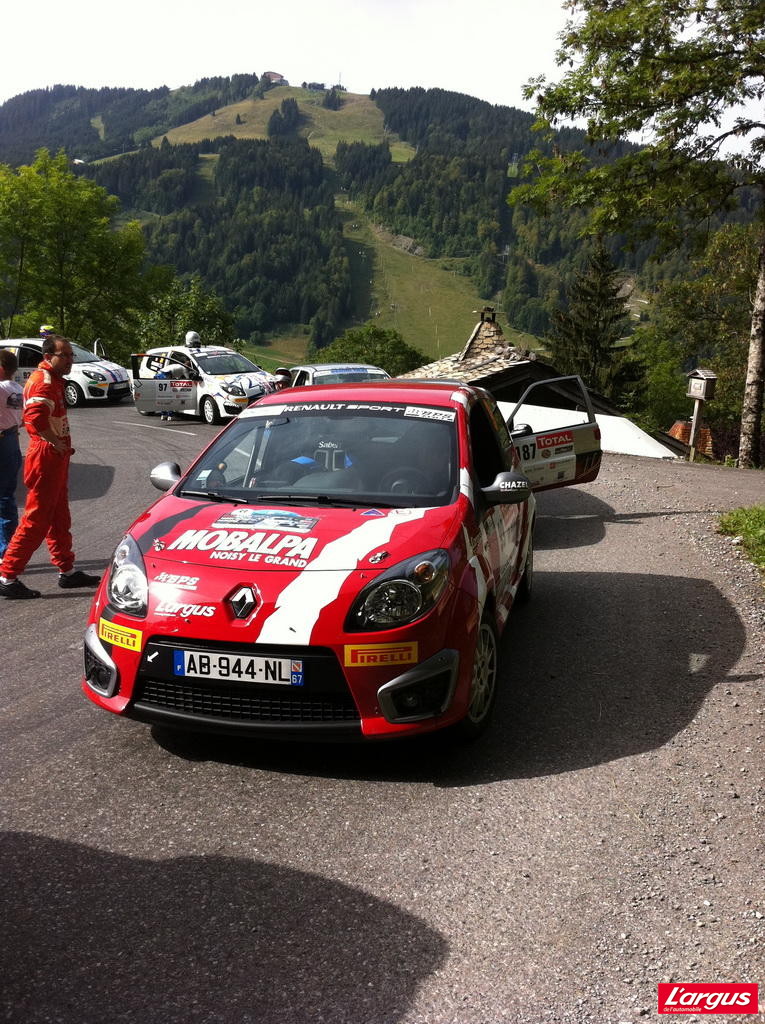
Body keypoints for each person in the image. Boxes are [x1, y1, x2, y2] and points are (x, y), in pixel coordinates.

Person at [0, 334, 100, 599]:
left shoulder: (53, 379)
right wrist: (55, 443)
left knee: (59, 516)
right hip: (46, 456)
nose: (69, 360)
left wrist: (59, 446)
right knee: (37, 518)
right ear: (47, 357)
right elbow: (34, 418)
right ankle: (7, 575)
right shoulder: (44, 381)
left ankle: (67, 571)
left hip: (55, 455)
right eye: (63, 355)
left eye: (70, 355)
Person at [0, 349, 24, 558]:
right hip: (11, 439)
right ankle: (10, 546)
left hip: (4, 440)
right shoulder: (17, 388)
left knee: (3, 497)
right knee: (6, 495)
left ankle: (6, 549)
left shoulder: (1, 388)